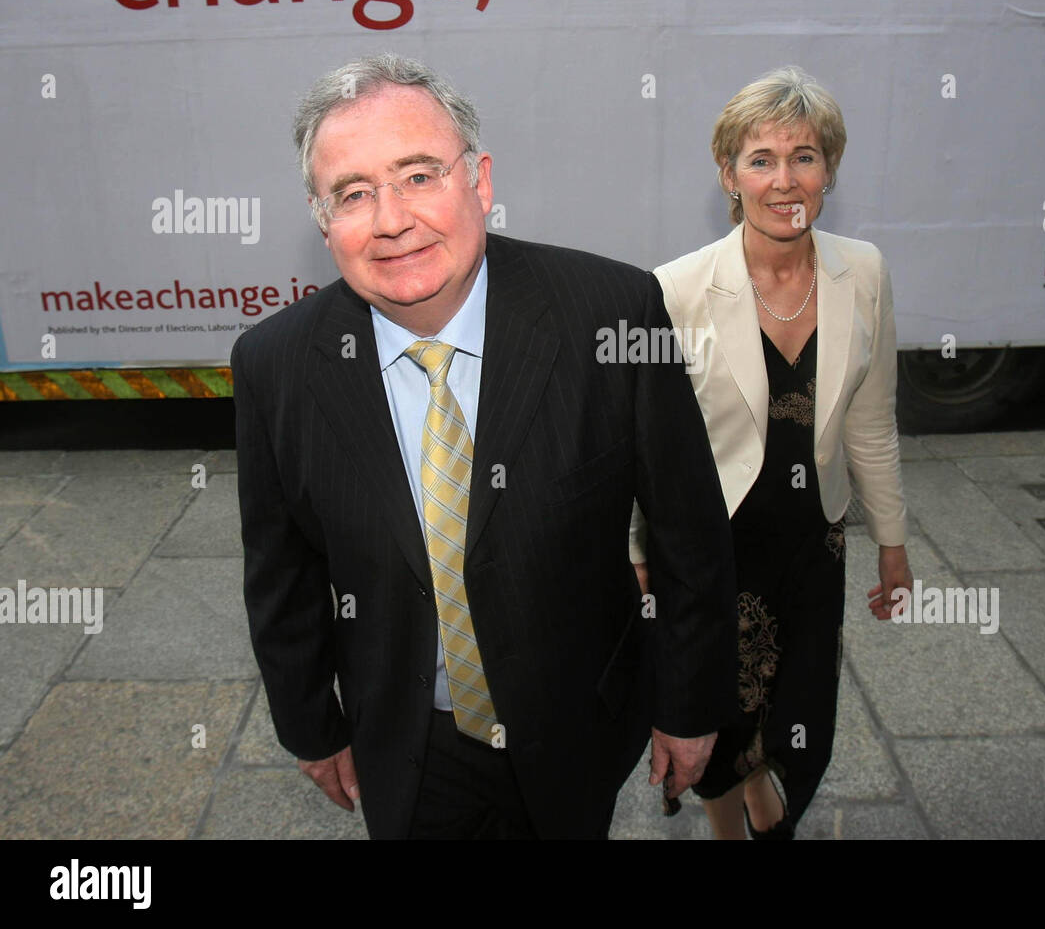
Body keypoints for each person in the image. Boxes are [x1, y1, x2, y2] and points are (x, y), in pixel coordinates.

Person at [232, 53, 736, 840]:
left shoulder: (615, 311)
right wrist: (310, 723)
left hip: (580, 723)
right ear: (322, 219)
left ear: (480, 181)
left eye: (420, 175)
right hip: (406, 740)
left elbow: (690, 532)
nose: (392, 218)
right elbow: (281, 570)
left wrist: (693, 703)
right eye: (354, 194)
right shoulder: (274, 366)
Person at [630, 66, 913, 839]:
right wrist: (635, 543)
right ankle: (730, 822)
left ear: (830, 170)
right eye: (761, 158)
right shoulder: (676, 288)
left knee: (800, 710)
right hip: (710, 537)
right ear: (729, 173)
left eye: (806, 156)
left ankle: (767, 783)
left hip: (811, 537)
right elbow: (643, 439)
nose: (784, 179)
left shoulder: (867, 274)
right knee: (717, 704)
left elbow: (872, 421)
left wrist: (892, 540)